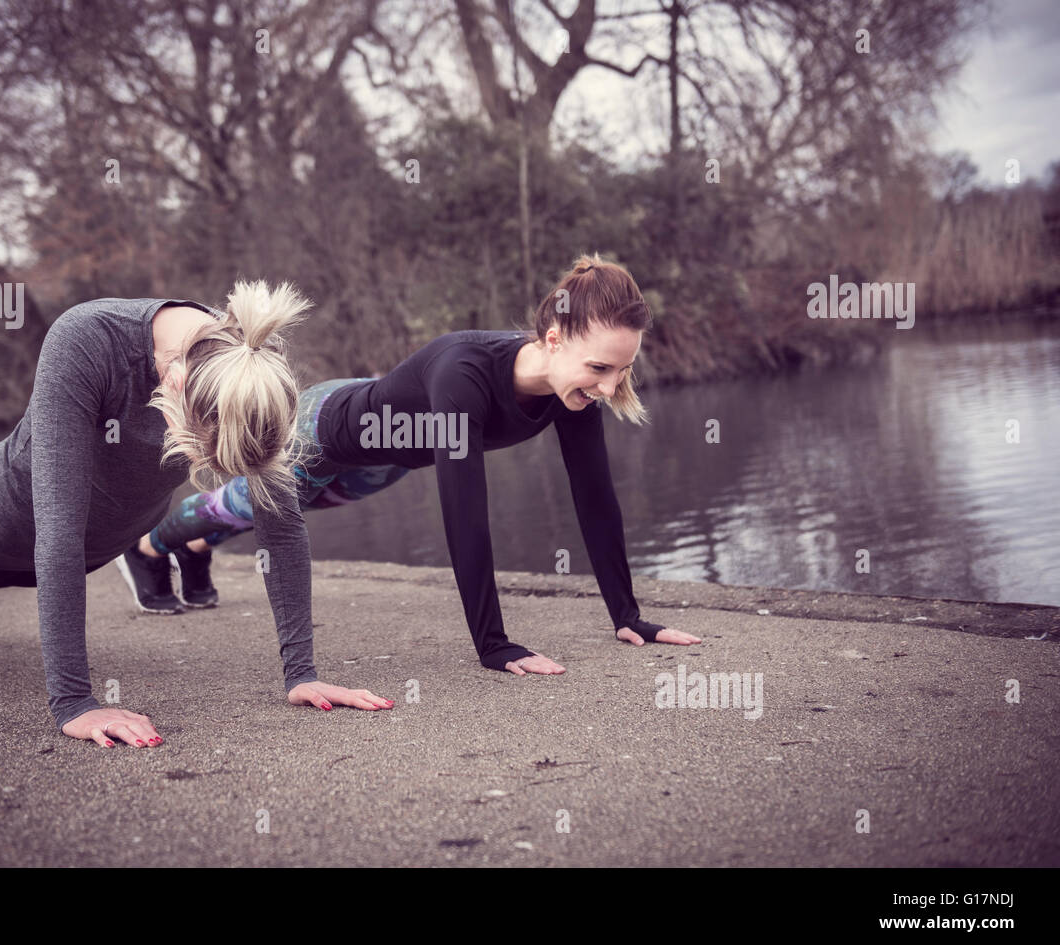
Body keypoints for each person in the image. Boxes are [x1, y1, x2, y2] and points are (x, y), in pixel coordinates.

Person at [0, 283, 393, 749]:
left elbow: (280, 522)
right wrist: (75, 704)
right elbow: (56, 529)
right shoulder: (87, 339)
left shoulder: (242, 369)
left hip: (88, 550)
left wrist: (302, 673)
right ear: (174, 381)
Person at [123, 255, 702, 675]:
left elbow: (595, 497)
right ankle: (149, 549)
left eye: (621, 372)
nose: (609, 386)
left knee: (261, 514)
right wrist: (493, 645)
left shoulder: (572, 390)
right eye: (600, 368)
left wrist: (628, 616)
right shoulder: (464, 374)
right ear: (554, 339)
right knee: (249, 504)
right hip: (325, 429)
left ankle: (196, 552)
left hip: (384, 462)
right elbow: (466, 515)